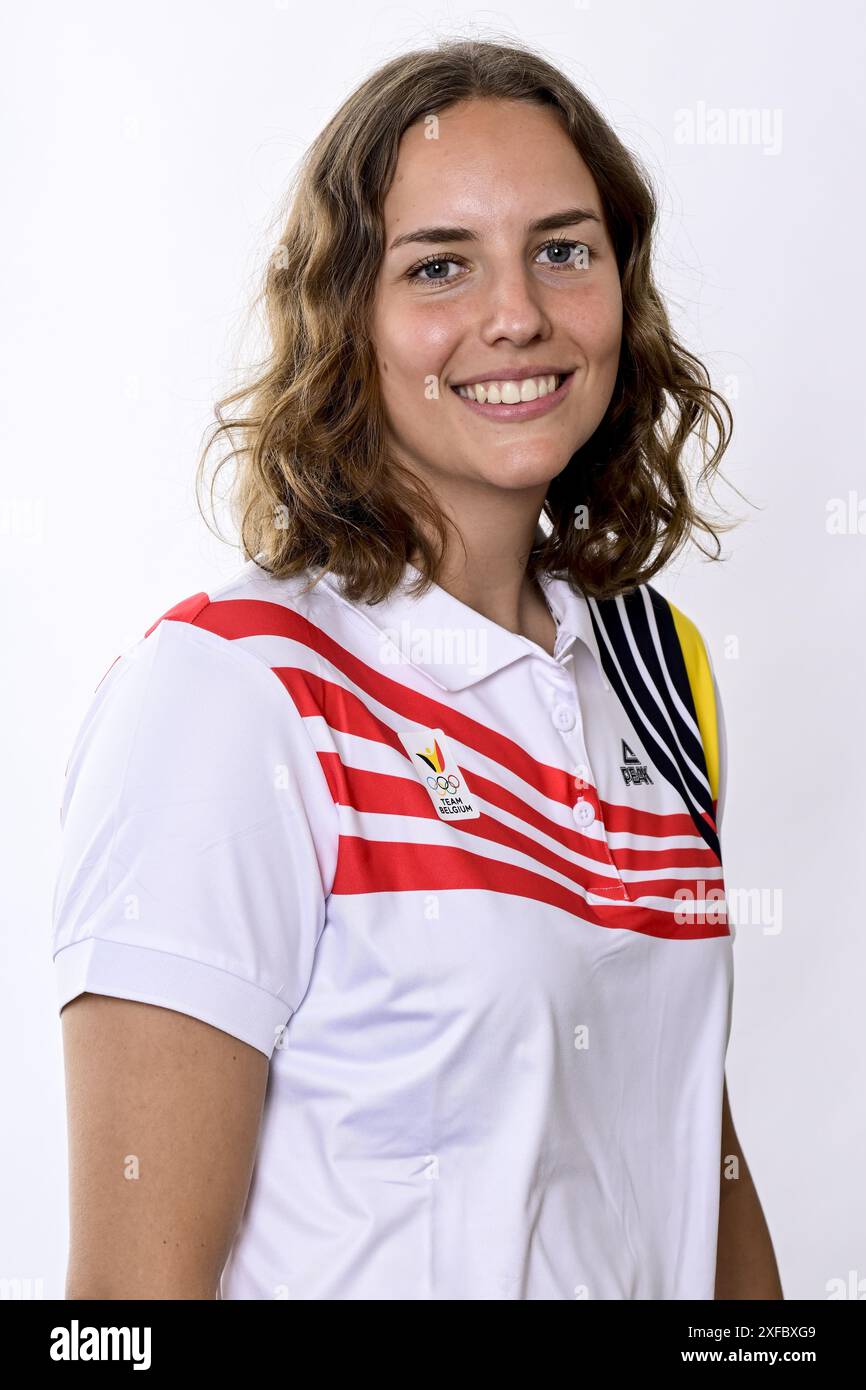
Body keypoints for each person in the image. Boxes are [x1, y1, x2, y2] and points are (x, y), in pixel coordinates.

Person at [52, 37, 782, 1300]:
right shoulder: (234, 691)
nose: (518, 314)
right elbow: (124, 1311)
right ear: (349, 315)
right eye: (438, 265)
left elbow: (676, 1139)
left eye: (563, 250)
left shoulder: (659, 667)